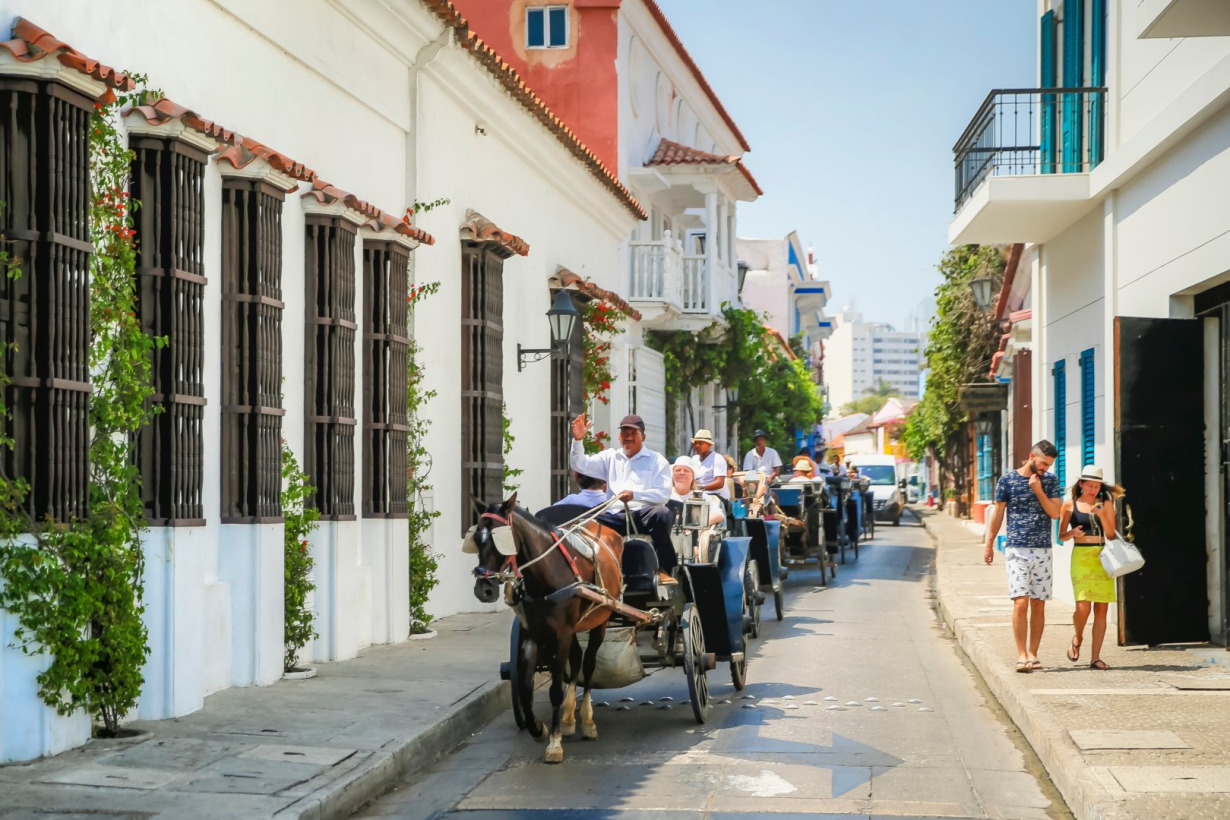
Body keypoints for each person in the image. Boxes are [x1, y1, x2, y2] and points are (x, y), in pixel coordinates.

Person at [570, 413, 676, 584]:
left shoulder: (657, 460)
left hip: (643, 514)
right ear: (619, 437)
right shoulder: (610, 457)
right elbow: (579, 465)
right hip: (614, 515)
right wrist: (578, 440)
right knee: (583, 522)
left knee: (662, 514)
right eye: (624, 433)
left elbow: (663, 494)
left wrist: (635, 495)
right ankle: (584, 573)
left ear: (644, 437)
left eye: (633, 433)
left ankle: (664, 569)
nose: (628, 437)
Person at [984, 440, 1062, 673]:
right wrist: (988, 543)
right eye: (1043, 463)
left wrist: (1038, 490)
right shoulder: (1007, 480)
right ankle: (1021, 654)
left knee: (1038, 604)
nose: (1045, 468)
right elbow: (998, 514)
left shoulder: (1050, 481)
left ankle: (1033, 654)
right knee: (1020, 602)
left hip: (1043, 550)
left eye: (1049, 465)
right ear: (1031, 456)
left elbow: (1055, 513)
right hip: (1016, 548)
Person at [1058, 465, 1123, 671]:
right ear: (1081, 484)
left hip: (1102, 557)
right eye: (1090, 486)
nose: (1093, 490)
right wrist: (1072, 534)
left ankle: (1095, 658)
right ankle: (1077, 637)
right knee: (1082, 607)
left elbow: (1111, 534)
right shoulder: (1069, 505)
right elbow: (1060, 535)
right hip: (1081, 558)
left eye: (1097, 486)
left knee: (1101, 609)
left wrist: (1102, 515)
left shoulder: (1106, 503)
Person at [668, 456, 725, 563]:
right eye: (678, 470)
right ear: (672, 474)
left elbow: (719, 515)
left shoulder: (701, 496)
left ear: (692, 476)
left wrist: (695, 524)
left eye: (686, 470)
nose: (681, 473)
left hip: (694, 539)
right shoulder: (665, 495)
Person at [690, 429, 729, 501]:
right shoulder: (694, 459)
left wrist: (700, 488)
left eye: (700, 443)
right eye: (695, 443)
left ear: (709, 445)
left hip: (716, 495)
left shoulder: (717, 458)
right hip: (698, 495)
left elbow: (719, 483)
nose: (696, 446)